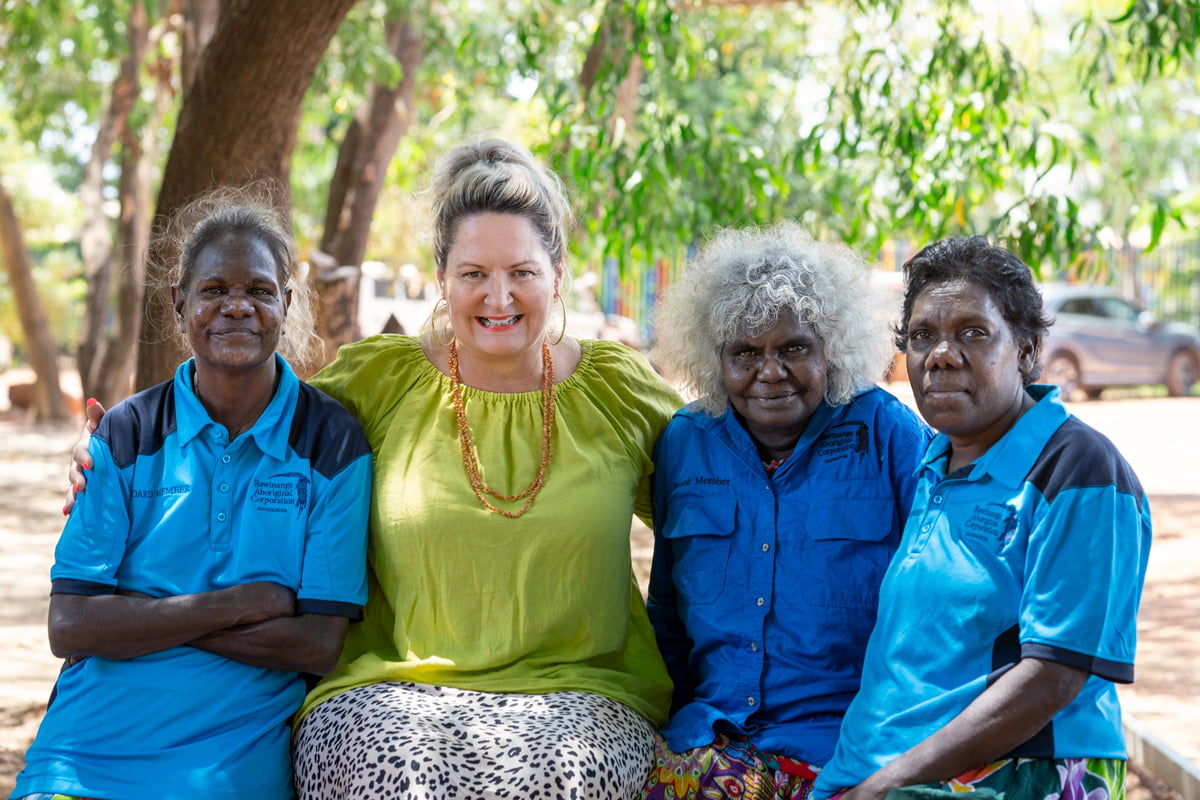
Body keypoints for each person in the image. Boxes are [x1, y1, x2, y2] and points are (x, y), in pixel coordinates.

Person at [14, 195, 373, 800]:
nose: (237, 305)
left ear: (286, 305)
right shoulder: (127, 433)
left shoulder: (331, 441)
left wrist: (136, 616)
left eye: (260, 290)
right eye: (214, 289)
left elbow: (315, 644)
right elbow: (71, 626)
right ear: (181, 304)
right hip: (84, 749)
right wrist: (243, 603)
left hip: (229, 754)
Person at [813, 236, 1152, 800]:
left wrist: (886, 784)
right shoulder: (934, 464)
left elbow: (1052, 677)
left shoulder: (1078, 469)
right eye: (923, 336)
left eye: (972, 332)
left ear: (1024, 349)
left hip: (1013, 771)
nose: (941, 354)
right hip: (875, 774)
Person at [640, 222, 932, 800]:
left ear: (833, 348)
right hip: (713, 745)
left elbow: (931, 608)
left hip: (849, 748)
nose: (769, 372)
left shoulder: (888, 433)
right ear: (713, 358)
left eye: (793, 348)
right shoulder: (685, 441)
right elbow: (667, 614)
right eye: (744, 353)